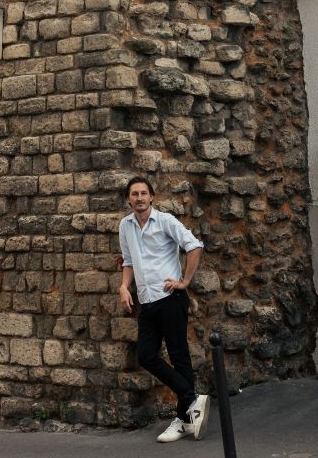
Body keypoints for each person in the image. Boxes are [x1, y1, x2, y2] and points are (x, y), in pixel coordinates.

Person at [118, 176, 210, 443]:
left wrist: (185, 281)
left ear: (152, 197)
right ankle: (191, 399)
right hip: (146, 301)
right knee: (146, 355)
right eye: (134, 194)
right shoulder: (125, 226)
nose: (139, 198)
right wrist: (124, 286)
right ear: (129, 199)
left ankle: (183, 420)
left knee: (179, 356)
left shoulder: (166, 221)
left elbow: (194, 246)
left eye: (143, 193)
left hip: (170, 298)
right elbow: (127, 260)